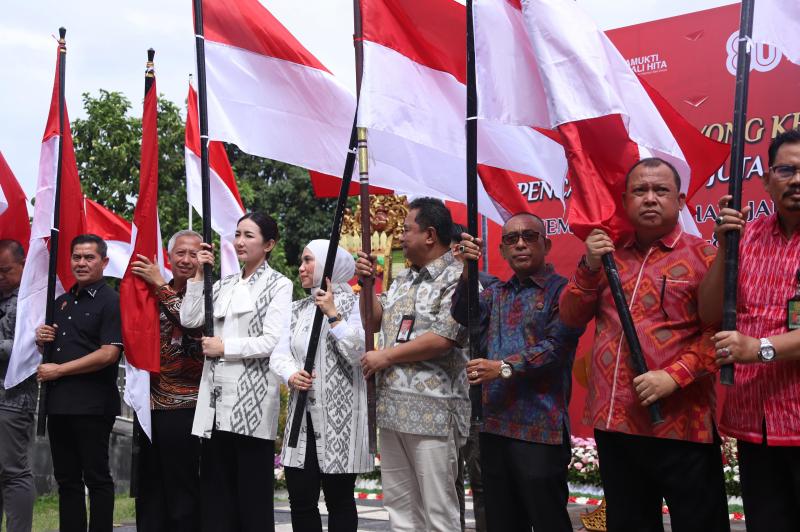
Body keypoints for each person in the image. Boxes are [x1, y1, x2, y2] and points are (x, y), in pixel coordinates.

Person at [559, 158, 729, 532]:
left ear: (681, 201)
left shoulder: (707, 257)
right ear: (625, 200)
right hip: (615, 426)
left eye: (660, 190)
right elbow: (570, 317)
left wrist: (674, 376)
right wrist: (588, 265)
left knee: (700, 524)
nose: (650, 198)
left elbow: (719, 334)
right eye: (640, 191)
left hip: (680, 423)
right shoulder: (607, 257)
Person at [452, 213, 582, 531]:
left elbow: (556, 347)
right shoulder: (495, 292)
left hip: (541, 430)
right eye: (512, 239)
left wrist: (502, 368)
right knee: (502, 522)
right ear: (502, 250)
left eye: (529, 236)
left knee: (548, 519)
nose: (520, 244)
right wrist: (469, 270)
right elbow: (462, 313)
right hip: (495, 429)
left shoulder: (562, 291)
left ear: (547, 244)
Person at [699, 128, 800, 532]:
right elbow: (709, 311)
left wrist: (759, 348)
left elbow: (755, 346)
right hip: (755, 424)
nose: (796, 179)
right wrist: (725, 248)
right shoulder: (748, 235)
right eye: (786, 169)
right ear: (767, 179)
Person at [356, 197, 468, 532]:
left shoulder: (459, 276)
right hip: (393, 412)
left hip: (434, 414)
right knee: (401, 511)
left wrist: (385, 356)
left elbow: (444, 338)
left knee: (438, 513)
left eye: (406, 230)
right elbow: (371, 323)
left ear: (430, 235)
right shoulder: (403, 278)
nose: (400, 237)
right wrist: (368, 285)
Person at [180, 212, 292, 532]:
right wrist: (200, 275)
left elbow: (271, 341)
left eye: (249, 236)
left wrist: (224, 347)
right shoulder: (224, 283)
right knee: (216, 492)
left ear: (269, 244)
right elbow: (190, 319)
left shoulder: (279, 285)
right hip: (215, 397)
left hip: (252, 399)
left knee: (251, 495)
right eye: (238, 234)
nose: (240, 242)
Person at [271, 239, 373, 532]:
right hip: (300, 417)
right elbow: (279, 354)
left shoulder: (355, 304)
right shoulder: (295, 310)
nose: (301, 268)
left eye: (307, 261)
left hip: (341, 420)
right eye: (302, 262)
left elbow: (358, 355)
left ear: (330, 266)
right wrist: (292, 374)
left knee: (339, 499)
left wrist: (332, 314)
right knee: (300, 500)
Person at [35, 234, 123, 532]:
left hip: (93, 404)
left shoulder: (112, 301)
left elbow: (109, 354)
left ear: (104, 262)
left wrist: (58, 370)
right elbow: (61, 347)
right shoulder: (61, 302)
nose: (82, 263)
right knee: (67, 480)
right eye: (77, 257)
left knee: (96, 477)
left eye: (89, 257)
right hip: (59, 403)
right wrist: (42, 341)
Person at [129, 230, 204, 532]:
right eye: (180, 253)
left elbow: (191, 321)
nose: (186, 260)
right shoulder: (150, 294)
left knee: (182, 487)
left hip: (188, 404)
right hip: (149, 404)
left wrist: (160, 284)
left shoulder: (211, 293)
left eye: (193, 253)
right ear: (169, 257)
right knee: (149, 486)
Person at [449, 224, 495, 532]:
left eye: (460, 247)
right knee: (447, 485)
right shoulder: (422, 286)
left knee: (483, 486)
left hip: (477, 401)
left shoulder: (489, 288)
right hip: (442, 403)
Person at [0, 240, 35, 532]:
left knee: (13, 472)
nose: (0, 276)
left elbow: (28, 348)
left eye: (5, 270)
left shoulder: (32, 300)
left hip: (12, 399)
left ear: (23, 266)